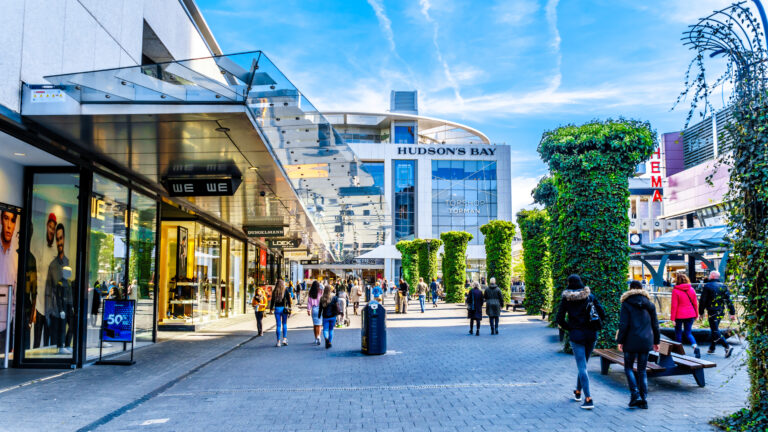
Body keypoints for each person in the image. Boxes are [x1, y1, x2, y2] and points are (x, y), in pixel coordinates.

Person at [556, 274, 606, 410]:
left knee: (582, 367)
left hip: (576, 335)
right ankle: (578, 392)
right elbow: (602, 313)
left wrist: (570, 328)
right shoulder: (590, 296)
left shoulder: (566, 299)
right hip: (591, 334)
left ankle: (588, 398)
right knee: (583, 365)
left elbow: (559, 318)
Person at [616, 280, 660, 409]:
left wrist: (620, 341)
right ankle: (644, 400)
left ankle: (635, 395)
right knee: (642, 371)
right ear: (642, 289)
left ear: (630, 289)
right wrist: (656, 341)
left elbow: (623, 325)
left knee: (628, 368)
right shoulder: (650, 304)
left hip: (630, 340)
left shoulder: (626, 303)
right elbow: (655, 325)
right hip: (646, 340)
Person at [45, 224, 73, 355]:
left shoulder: (67, 263)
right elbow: (52, 293)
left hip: (67, 306)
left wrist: (70, 306)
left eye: (61, 238)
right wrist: (57, 309)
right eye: (58, 239)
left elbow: (69, 294)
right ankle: (61, 345)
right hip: (59, 307)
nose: (59, 242)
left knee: (71, 326)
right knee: (61, 327)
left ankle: (66, 344)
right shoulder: (53, 267)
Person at [699, 271, 736, 358]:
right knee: (714, 329)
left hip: (712, 311)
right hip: (720, 311)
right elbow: (728, 300)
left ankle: (727, 346)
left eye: (709, 275)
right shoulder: (723, 286)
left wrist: (701, 312)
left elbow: (703, 301)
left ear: (712, 276)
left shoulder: (707, 286)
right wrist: (732, 313)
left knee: (715, 330)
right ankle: (712, 347)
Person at [671, 273, 701, 358]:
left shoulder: (675, 291)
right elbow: (695, 303)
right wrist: (696, 315)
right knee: (688, 333)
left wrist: (672, 319)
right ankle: (695, 347)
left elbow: (674, 306)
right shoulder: (691, 289)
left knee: (678, 333)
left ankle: (679, 352)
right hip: (690, 314)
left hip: (679, 316)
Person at [268, 279, 292, 347]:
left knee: (278, 325)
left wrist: (271, 309)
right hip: (284, 309)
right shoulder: (285, 290)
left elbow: (272, 301)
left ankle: (278, 341)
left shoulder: (275, 291)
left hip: (277, 309)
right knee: (284, 323)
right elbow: (289, 300)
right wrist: (289, 308)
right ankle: (284, 339)